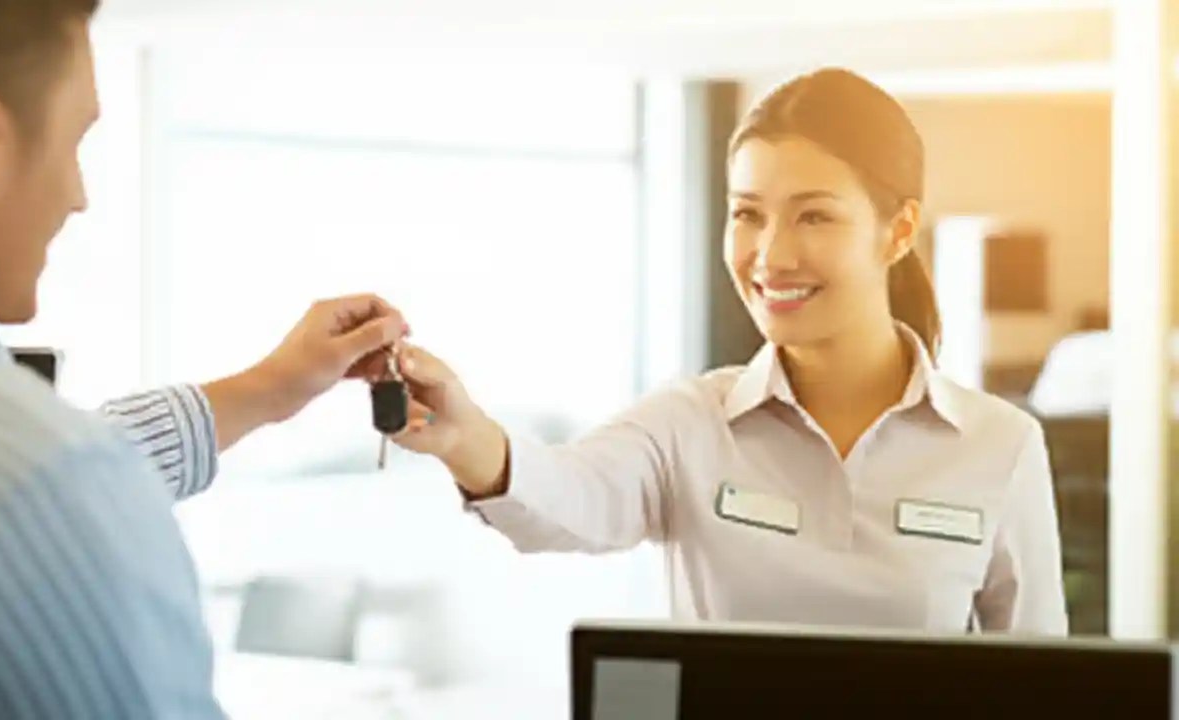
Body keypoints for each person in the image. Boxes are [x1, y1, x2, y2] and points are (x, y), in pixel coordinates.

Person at [387, 68, 1068, 635]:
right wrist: (463, 435)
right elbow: (568, 499)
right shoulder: (690, 423)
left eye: (814, 215)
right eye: (747, 213)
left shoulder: (999, 445)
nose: (770, 256)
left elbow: (1045, 687)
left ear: (897, 233)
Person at [0, 1, 405, 716]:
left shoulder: (7, 471)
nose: (79, 196)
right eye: (75, 142)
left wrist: (267, 388)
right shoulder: (43, 490)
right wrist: (75, 474)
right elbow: (34, 489)